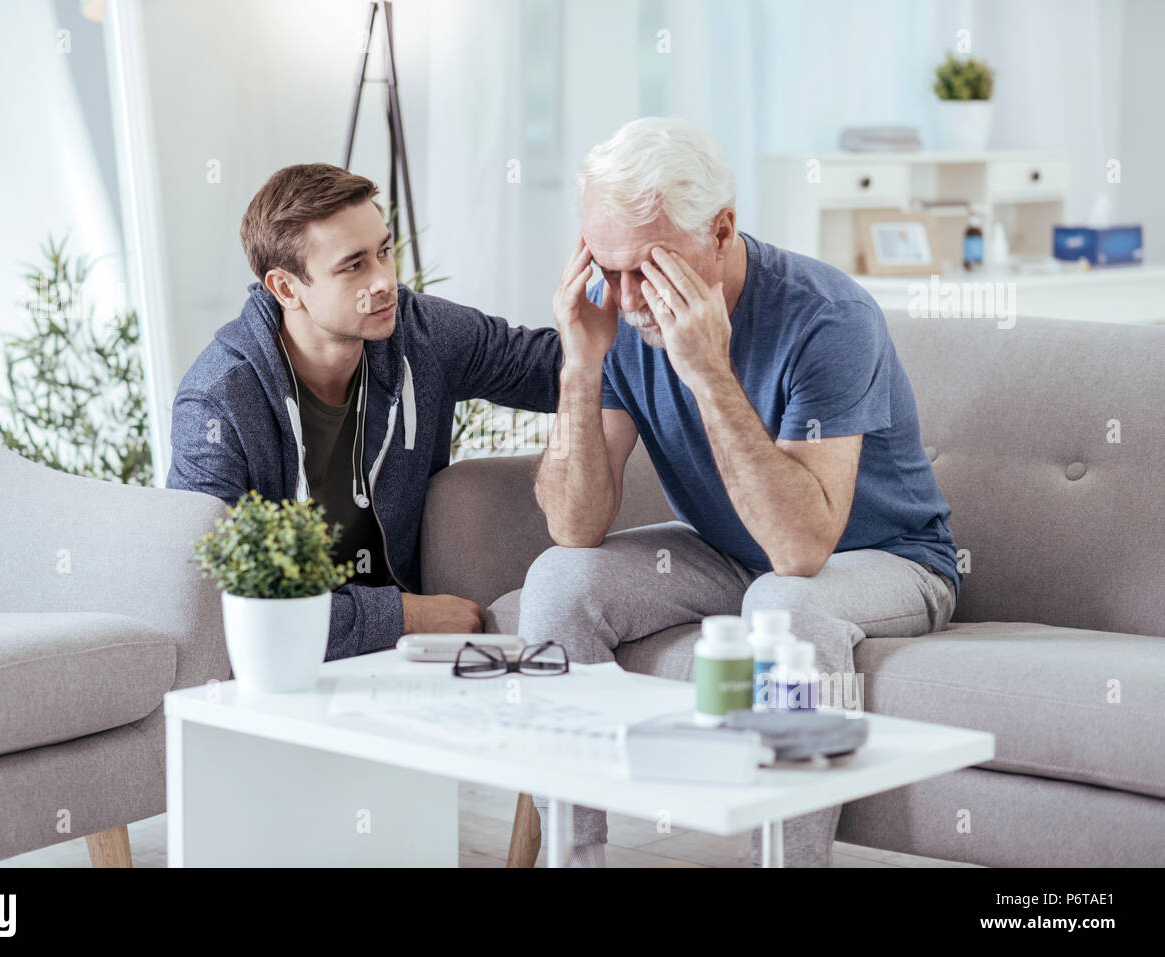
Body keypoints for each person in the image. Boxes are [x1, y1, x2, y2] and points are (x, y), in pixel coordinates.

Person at [521, 118, 959, 867]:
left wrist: (709, 372)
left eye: (648, 269)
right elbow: (574, 523)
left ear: (721, 230)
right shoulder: (617, 313)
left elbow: (798, 548)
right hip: (731, 556)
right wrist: (579, 365)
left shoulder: (828, 318)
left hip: (885, 559)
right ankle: (576, 857)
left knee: (781, 609)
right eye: (604, 265)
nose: (626, 298)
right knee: (557, 579)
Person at [169, 163, 561, 658]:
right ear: (286, 288)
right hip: (290, 667)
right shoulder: (219, 402)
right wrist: (401, 616)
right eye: (353, 265)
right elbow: (213, 597)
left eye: (384, 252)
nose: (384, 282)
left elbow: (554, 368)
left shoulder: (418, 332)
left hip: (411, 658)